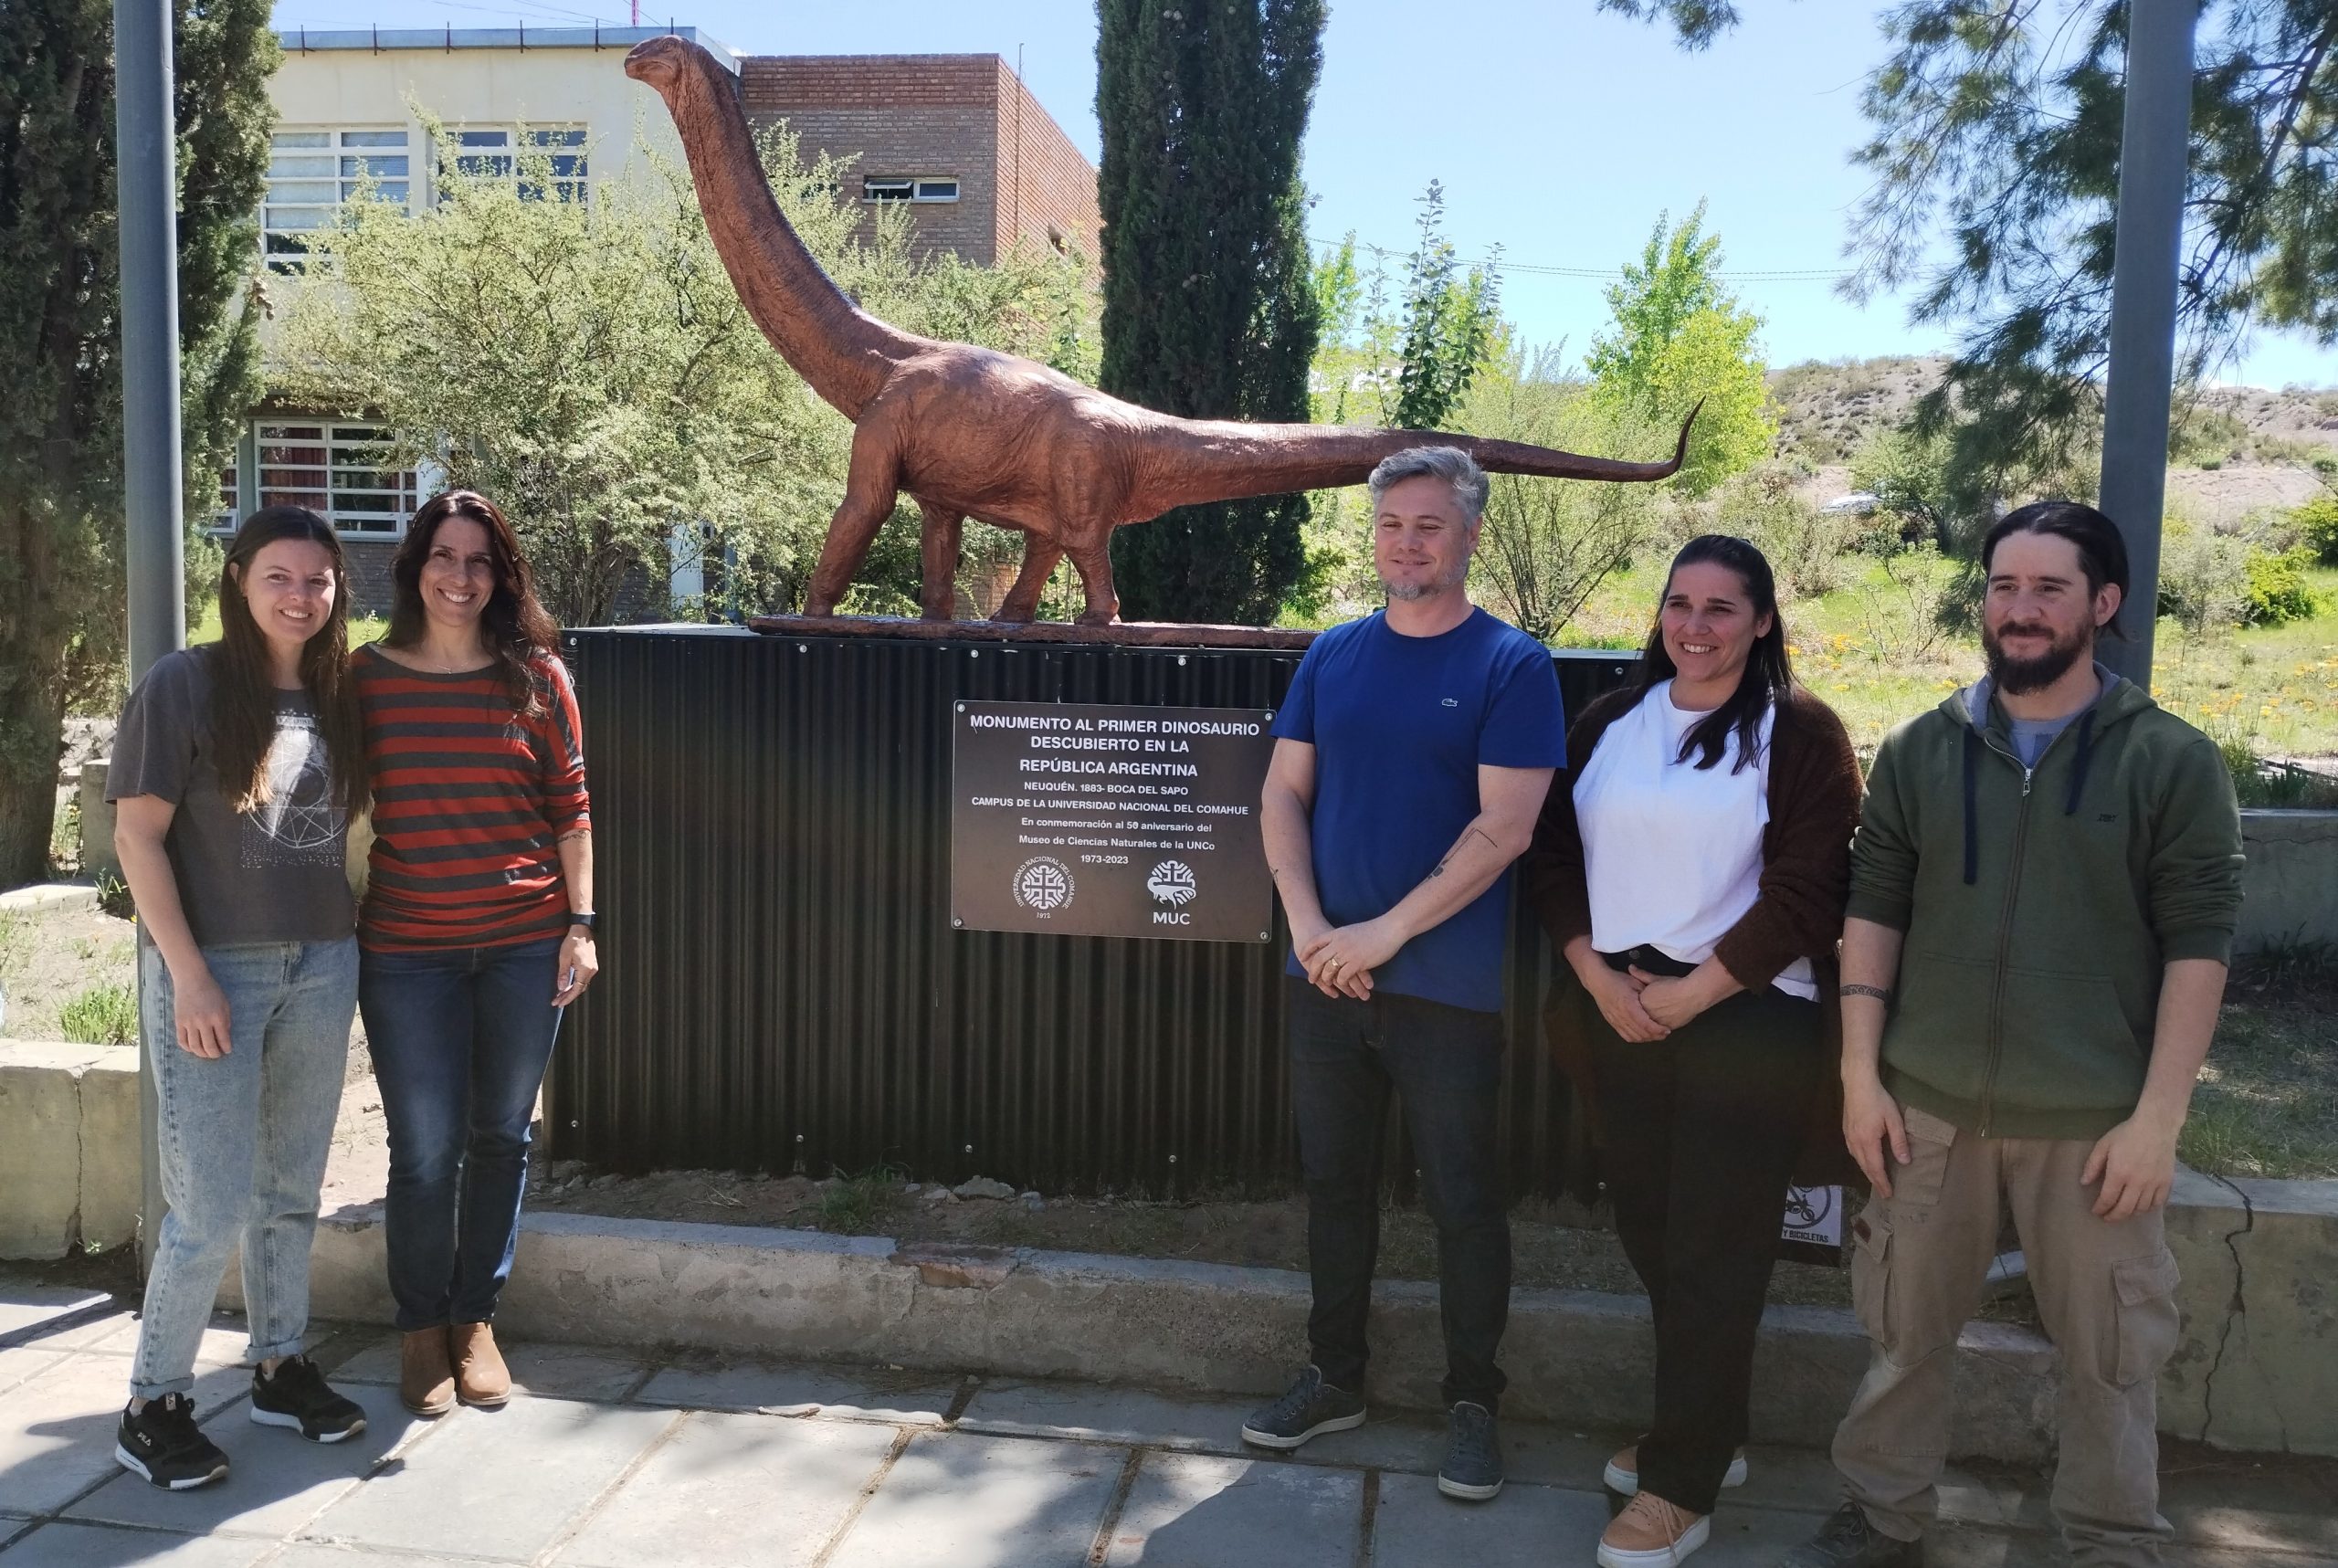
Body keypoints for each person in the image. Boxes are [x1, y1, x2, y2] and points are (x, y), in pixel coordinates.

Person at [1780, 502, 2244, 1568]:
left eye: (2048, 589)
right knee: (1902, 1336)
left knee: (2111, 1357)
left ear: (2104, 604)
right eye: (2003, 586)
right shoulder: (1918, 750)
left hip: (2094, 1125)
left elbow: (2198, 948)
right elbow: (1873, 913)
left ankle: (2109, 1537)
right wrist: (1861, 1076)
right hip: (1927, 1108)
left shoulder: (2169, 761)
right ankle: (1883, 1513)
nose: (2020, 609)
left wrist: (2157, 1122)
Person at [1527, 535, 1861, 1566]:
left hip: (1747, 1016)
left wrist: (1697, 992)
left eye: (1723, 607)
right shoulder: (1608, 723)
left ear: (1762, 621)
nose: (1696, 625)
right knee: (1653, 1232)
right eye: (1680, 602)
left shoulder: (1799, 732)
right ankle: (1707, 1430)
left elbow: (1812, 889)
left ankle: (1681, 1485)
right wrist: (1592, 975)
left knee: (1715, 1250)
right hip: (1619, 1006)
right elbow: (1550, 852)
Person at [1242, 446, 1565, 1502]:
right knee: (1335, 1190)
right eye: (1391, 524)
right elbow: (1282, 795)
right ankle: (1334, 1377)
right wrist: (1308, 924)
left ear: (1469, 534)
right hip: (1323, 978)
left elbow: (1505, 828)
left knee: (1464, 1200)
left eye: (1429, 525)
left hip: (1446, 991)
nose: (1406, 542)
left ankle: (1473, 1402)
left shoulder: (1513, 665)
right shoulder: (1332, 655)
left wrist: (1382, 932)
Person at [108, 506, 373, 1489]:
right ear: (238, 581)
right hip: (216, 968)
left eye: (317, 579)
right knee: (208, 1204)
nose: (300, 595)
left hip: (321, 963)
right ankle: (153, 1402)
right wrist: (188, 974)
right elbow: (137, 839)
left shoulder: (341, 692)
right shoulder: (184, 685)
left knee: (289, 1191)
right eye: (279, 577)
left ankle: (278, 1361)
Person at [353, 489, 596, 1417]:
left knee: (501, 1134)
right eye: (443, 557)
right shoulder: (364, 679)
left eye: (478, 561)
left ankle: (475, 1320)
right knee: (423, 1147)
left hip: (525, 944)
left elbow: (571, 809)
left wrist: (584, 925)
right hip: (406, 951)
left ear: (501, 576)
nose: (460, 577)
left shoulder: (536, 676)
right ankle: (420, 1330)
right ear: (415, 566)